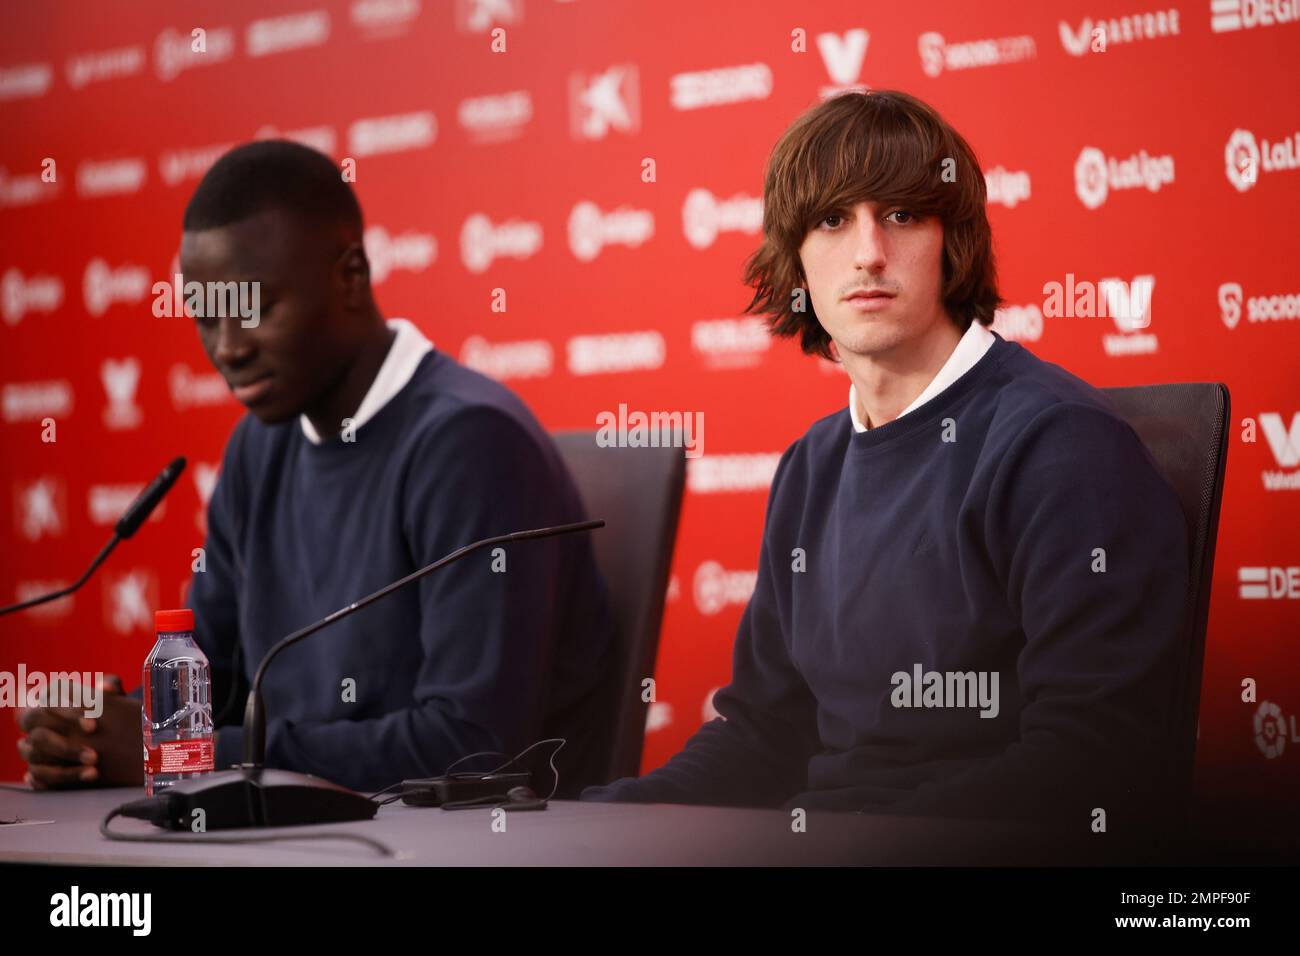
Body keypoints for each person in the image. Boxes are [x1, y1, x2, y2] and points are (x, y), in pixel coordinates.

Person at [582, 90, 1190, 836]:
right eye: (832, 220)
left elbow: (1091, 767)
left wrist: (839, 841)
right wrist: (587, 823)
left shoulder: (1060, 447)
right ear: (795, 260)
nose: (868, 251)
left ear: (952, 242)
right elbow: (763, 736)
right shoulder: (813, 463)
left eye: (901, 215)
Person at [16, 140, 614, 797]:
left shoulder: (470, 443)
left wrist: (198, 755)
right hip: (295, 839)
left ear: (351, 275)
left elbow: (474, 748)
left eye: (256, 311)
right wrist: (98, 737)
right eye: (205, 319)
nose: (228, 349)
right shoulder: (258, 447)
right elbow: (209, 691)